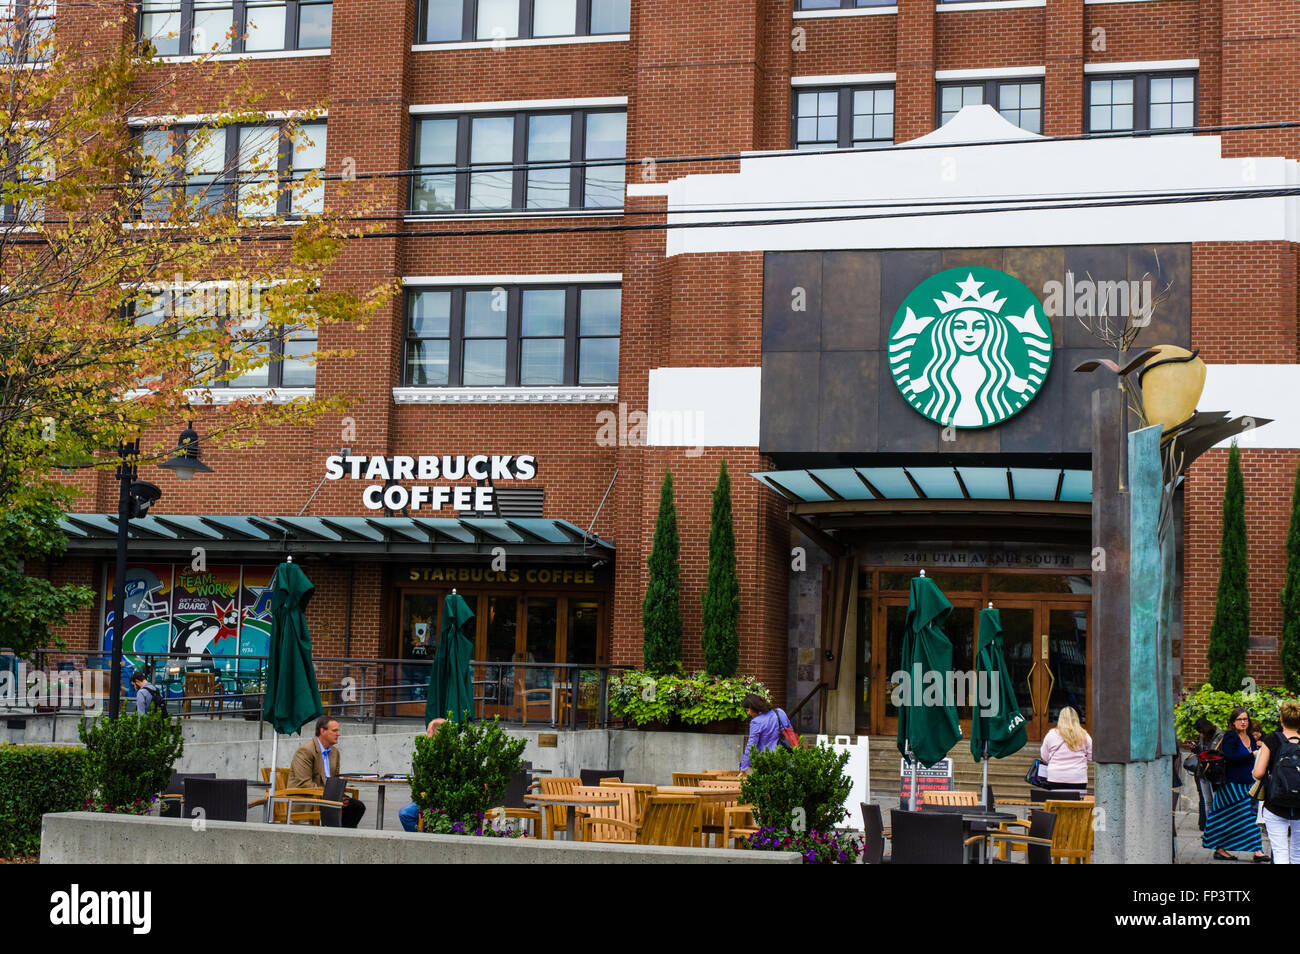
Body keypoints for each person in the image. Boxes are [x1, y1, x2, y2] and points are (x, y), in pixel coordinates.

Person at [1202, 706, 1265, 862]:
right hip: (1230, 786)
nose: (1243, 722)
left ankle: (1257, 850)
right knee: (1223, 817)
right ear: (1233, 722)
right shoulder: (1230, 737)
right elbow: (1231, 758)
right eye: (1239, 719)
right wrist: (1252, 755)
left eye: (1245, 719)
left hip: (1248, 784)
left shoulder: (1250, 737)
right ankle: (1220, 849)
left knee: (1248, 817)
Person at [289, 716, 366, 828]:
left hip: (326, 797)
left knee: (357, 806)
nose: (338, 734)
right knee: (339, 806)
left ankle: (338, 838)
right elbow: (304, 782)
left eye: (338, 730)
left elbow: (334, 780)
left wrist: (339, 795)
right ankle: (334, 836)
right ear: (322, 731)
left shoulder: (335, 752)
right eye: (334, 730)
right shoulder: (306, 751)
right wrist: (331, 796)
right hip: (307, 798)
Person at [1252, 701, 1300, 864]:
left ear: (1281, 719)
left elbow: (1258, 773)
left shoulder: (1272, 739)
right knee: (1298, 854)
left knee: (1280, 852)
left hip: (1275, 804)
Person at [400, 718, 447, 833]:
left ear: (436, 733)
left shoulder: (443, 753)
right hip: (430, 796)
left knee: (406, 813)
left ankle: (420, 840)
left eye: (428, 732)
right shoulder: (432, 751)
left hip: (441, 799)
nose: (427, 736)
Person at [1038, 706, 1092, 790]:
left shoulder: (1051, 734)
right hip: (1077, 777)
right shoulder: (1084, 735)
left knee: (1055, 802)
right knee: (1076, 802)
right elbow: (1091, 756)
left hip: (1055, 776)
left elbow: (1044, 756)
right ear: (1076, 719)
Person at [1185, 717, 1221, 832]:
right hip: (1203, 771)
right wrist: (1195, 748)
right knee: (1207, 800)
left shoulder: (1219, 736)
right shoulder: (1203, 738)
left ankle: (1217, 827)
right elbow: (1201, 752)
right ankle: (1210, 828)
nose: (1199, 734)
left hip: (1215, 771)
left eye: (1200, 732)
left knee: (1216, 800)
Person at [739, 693, 791, 772]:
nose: (748, 713)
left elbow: (751, 746)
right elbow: (790, 732)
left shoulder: (756, 722)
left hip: (767, 763)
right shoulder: (779, 712)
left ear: (754, 707)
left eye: (748, 710)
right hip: (786, 759)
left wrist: (743, 767)